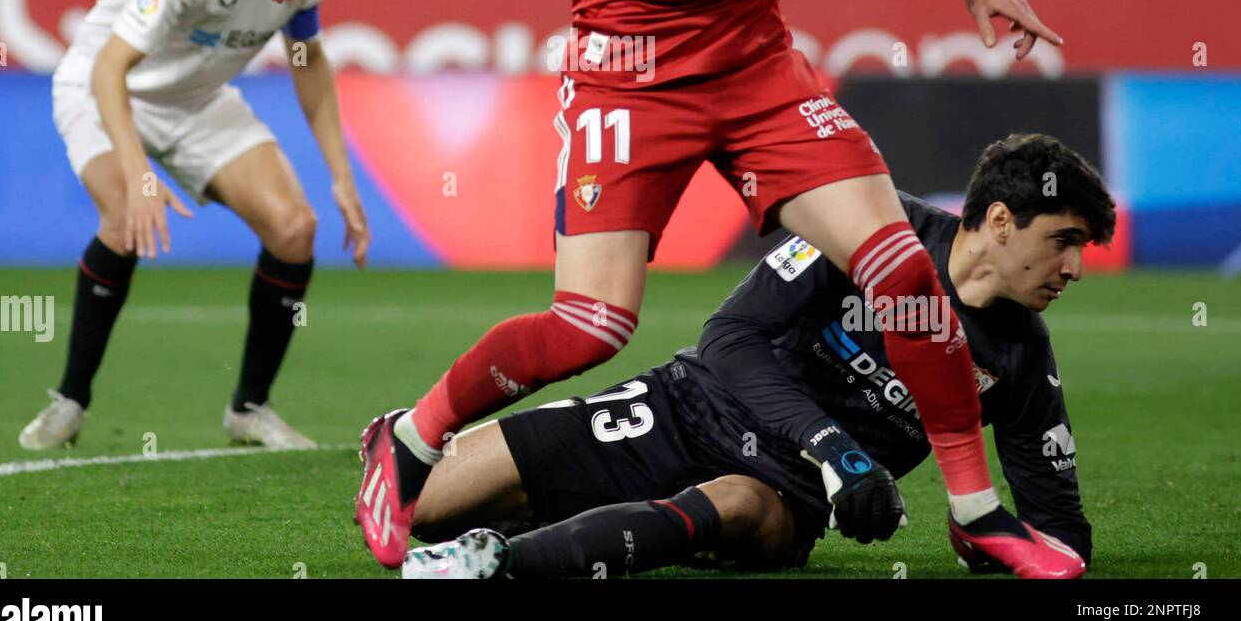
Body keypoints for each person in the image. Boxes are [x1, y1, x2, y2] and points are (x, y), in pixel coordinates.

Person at [221, 0, 1068, 574]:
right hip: (629, 73)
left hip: (755, 67)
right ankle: (412, 436)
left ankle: (975, 510)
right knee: (591, 326)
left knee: (904, 269)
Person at [403, 134, 1112, 579]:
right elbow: (730, 335)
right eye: (1064, 239)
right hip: (688, 406)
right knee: (422, 503)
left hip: (790, 493)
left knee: (738, 502)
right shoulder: (874, 228)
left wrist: (986, 542)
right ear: (998, 221)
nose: (1075, 267)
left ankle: (497, 562)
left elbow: (1060, 533)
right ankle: (433, 451)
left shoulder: (1021, 359)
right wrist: (838, 445)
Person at [20, 0, 370, 451]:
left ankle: (249, 408)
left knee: (295, 230)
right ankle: (70, 400)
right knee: (127, 215)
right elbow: (109, 69)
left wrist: (342, 177)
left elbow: (306, 59)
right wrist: (139, 174)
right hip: (105, 89)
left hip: (198, 100)